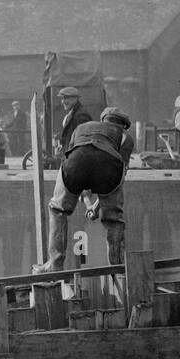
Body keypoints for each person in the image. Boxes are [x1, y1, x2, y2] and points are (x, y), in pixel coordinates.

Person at [34, 107, 135, 273]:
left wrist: (78, 188)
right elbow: (121, 172)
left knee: (57, 210)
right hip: (108, 166)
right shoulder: (125, 137)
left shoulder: (83, 127)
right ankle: (117, 268)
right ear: (123, 125)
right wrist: (97, 207)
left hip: (76, 163)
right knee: (114, 221)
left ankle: (54, 264)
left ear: (103, 120)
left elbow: (74, 155)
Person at [54, 86, 93, 160]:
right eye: (62, 98)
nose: (63, 101)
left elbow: (82, 142)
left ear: (75, 99)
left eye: (66, 98)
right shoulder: (73, 113)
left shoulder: (81, 116)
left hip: (77, 159)